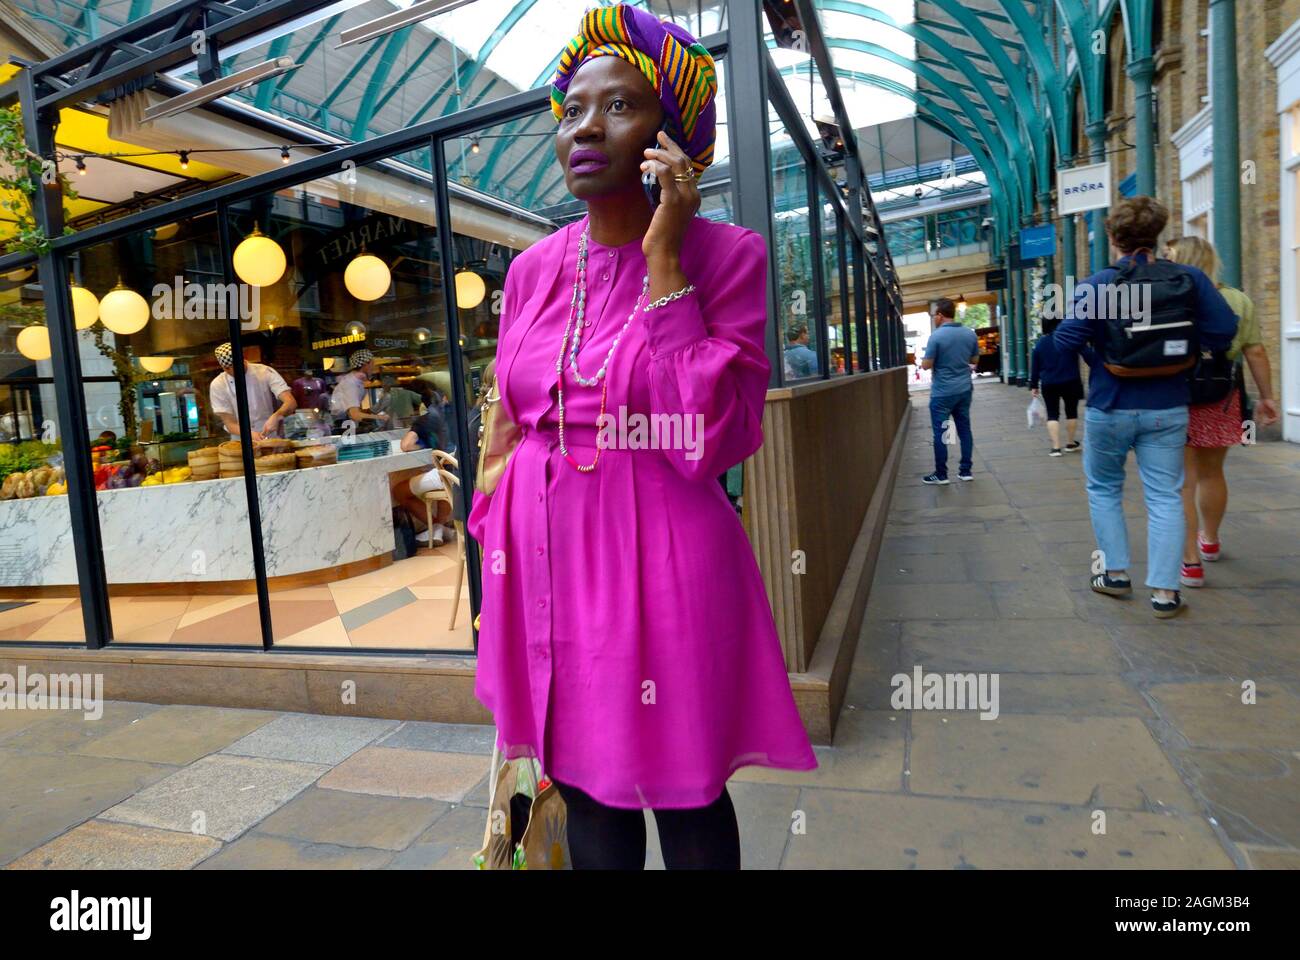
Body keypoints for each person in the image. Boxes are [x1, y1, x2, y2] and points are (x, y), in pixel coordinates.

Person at [467, 3, 816, 870]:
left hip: (659, 545)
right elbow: (506, 420)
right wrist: (493, 538)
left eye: (620, 106)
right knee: (581, 783)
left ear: (675, 142)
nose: (587, 127)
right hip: (542, 552)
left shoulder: (723, 255)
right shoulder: (531, 270)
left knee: (685, 783)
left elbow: (713, 438)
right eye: (575, 109)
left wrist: (665, 262)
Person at [1054, 197, 1237, 618]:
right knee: (1165, 497)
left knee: (1103, 489)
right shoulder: (1188, 278)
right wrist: (1180, 352)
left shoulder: (1099, 285)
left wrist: (1098, 355)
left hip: (1110, 405)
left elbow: (1064, 341)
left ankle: (1116, 574)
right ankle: (1166, 594)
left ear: (1113, 237)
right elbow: (1224, 330)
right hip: (1168, 405)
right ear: (1156, 234)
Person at [1164, 236, 1281, 587]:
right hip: (1220, 396)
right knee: (1213, 472)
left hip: (1175, 395)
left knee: (1183, 480)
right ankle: (1210, 541)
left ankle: (1190, 563)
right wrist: (1267, 397)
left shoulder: (1168, 297)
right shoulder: (1237, 299)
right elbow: (1255, 352)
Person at [920, 298, 978, 484]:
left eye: (935, 315)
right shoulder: (970, 334)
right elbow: (975, 360)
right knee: (964, 430)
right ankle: (965, 471)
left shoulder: (936, 337)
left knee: (943, 433)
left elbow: (926, 365)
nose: (934, 318)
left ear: (940, 315)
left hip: (943, 393)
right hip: (964, 390)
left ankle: (942, 474)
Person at [397, 383, 455, 546]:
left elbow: (406, 445)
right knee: (443, 483)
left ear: (424, 404)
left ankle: (436, 527)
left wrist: (424, 446)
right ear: (443, 398)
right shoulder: (457, 414)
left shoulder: (424, 420)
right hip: (462, 473)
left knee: (399, 491)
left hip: (446, 473)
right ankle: (440, 527)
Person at [1029, 316, 1092, 456]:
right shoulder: (1069, 339)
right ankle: (1070, 443)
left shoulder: (1040, 344)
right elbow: (1087, 355)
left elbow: (1035, 367)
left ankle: (1056, 447)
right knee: (1071, 412)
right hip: (1071, 381)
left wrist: (1034, 385)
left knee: (1052, 414)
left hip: (1049, 383)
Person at [209, 342, 296, 440]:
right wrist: (251, 435)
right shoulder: (218, 385)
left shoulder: (264, 372)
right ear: (223, 367)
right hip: (240, 441)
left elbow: (290, 402)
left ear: (243, 360)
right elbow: (230, 424)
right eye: (228, 368)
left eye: (237, 366)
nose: (233, 371)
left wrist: (277, 415)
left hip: (270, 436)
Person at [329, 349, 389, 432]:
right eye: (372, 364)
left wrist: (369, 411)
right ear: (365, 365)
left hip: (348, 425)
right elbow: (355, 415)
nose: (373, 368)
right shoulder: (351, 383)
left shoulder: (357, 382)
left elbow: (354, 411)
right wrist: (381, 417)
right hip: (344, 428)